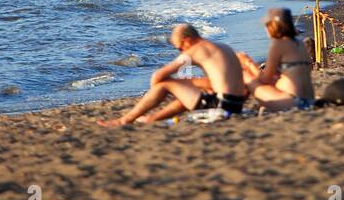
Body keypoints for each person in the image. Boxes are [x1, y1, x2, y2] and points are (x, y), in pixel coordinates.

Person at [99, 23, 248, 126]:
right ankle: (152, 118)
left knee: (165, 84)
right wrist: (187, 84)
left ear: (187, 40)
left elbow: (158, 76)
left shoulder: (195, 50)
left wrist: (161, 91)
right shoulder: (221, 46)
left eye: (179, 48)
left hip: (220, 106)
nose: (181, 52)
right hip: (236, 105)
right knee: (187, 90)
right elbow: (215, 82)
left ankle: (124, 120)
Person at [249, 8, 316, 112]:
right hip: (310, 100)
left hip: (294, 102)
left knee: (249, 80)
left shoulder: (278, 45)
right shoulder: (300, 44)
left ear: (273, 26)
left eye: (267, 26)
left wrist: (250, 65)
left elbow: (264, 80)